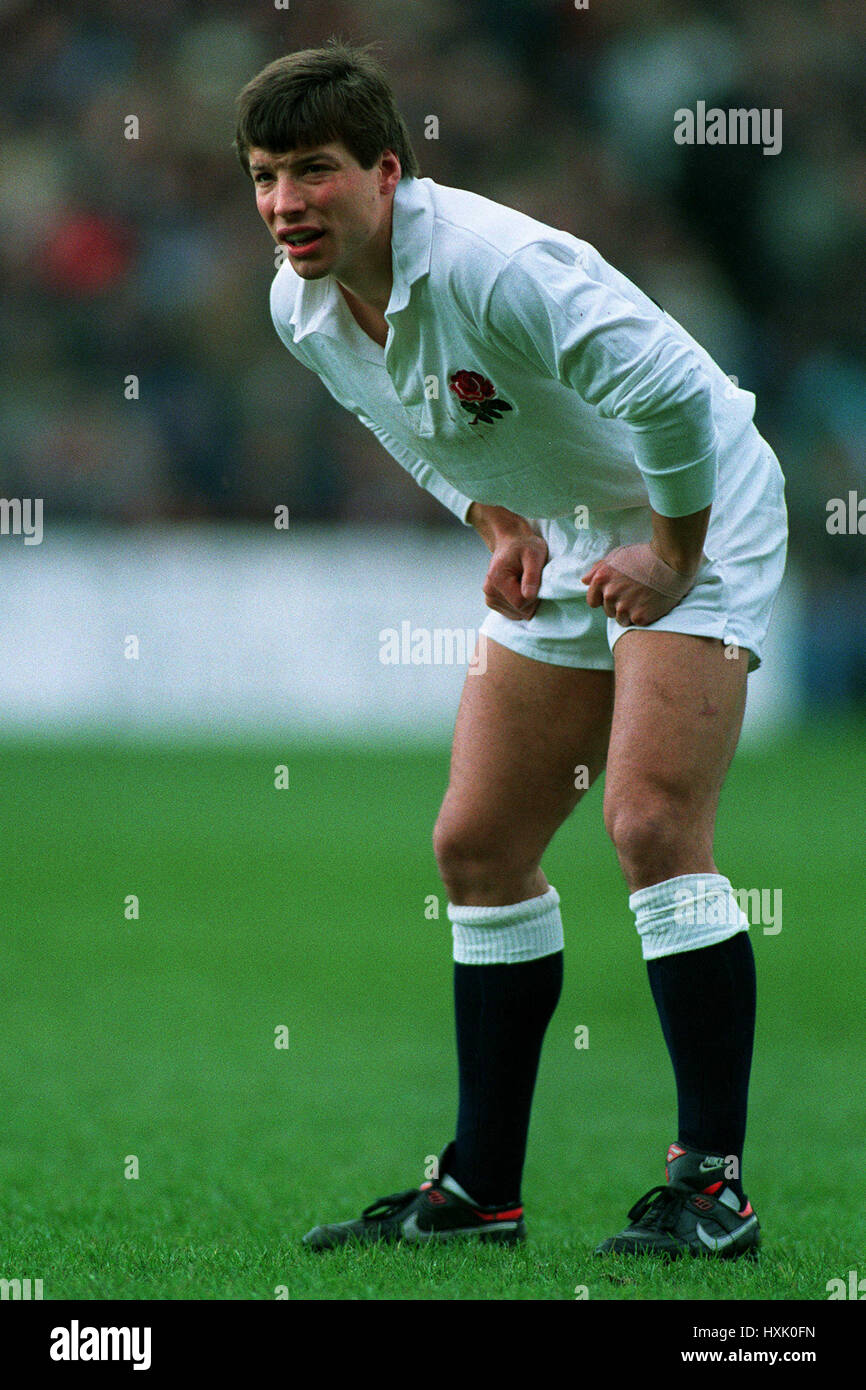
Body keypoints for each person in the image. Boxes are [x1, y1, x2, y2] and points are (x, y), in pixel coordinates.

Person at [235, 39, 786, 1259]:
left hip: (697, 508)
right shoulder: (301, 304)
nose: (283, 203)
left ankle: (714, 1191)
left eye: (311, 171)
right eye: (265, 174)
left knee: (645, 823)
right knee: (476, 846)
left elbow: (674, 405)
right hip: (582, 530)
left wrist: (670, 555)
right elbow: (412, 425)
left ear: (386, 171)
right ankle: (479, 1188)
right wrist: (497, 517)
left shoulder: (496, 265)